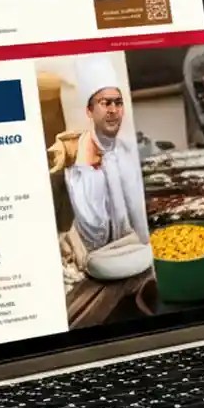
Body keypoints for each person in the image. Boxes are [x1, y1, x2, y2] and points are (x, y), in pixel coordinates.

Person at [63, 56, 150, 261]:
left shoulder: (130, 152)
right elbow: (94, 236)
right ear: (89, 111)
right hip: (105, 262)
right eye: (105, 103)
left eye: (118, 103)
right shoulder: (79, 166)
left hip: (144, 254)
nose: (113, 110)